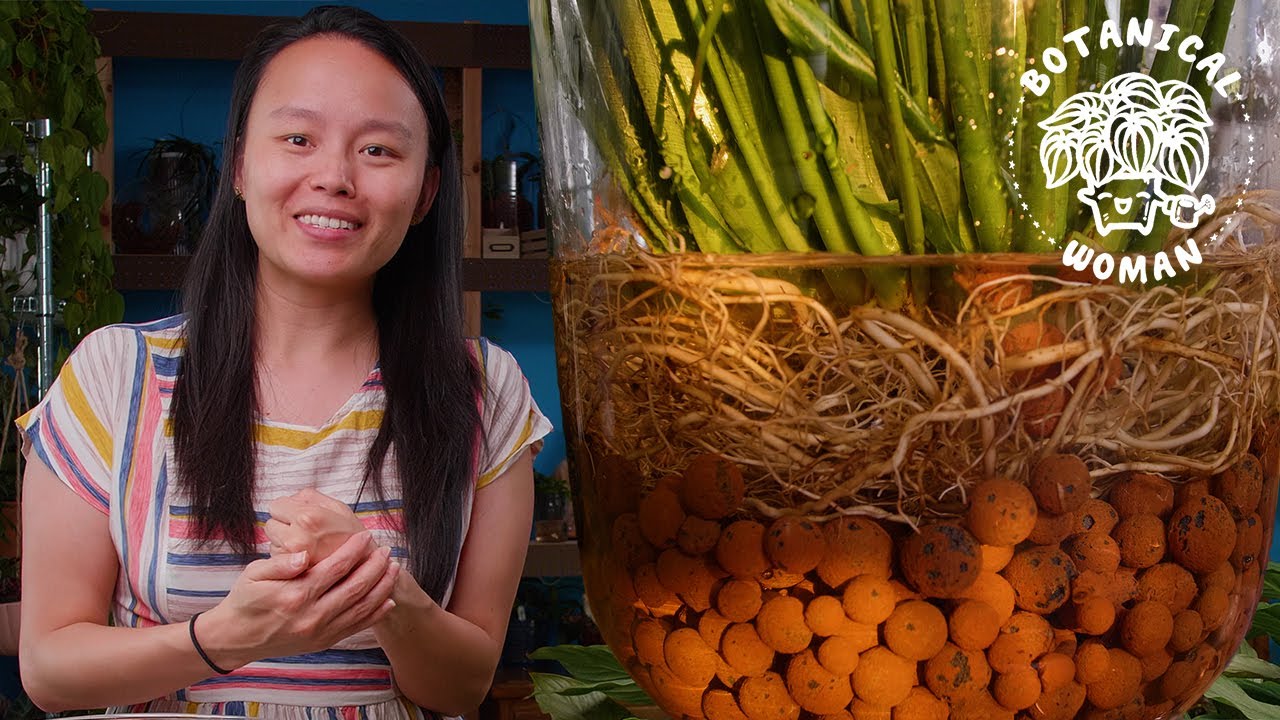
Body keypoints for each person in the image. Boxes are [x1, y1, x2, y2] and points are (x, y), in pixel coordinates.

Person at [14, 6, 552, 718]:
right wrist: (223, 639)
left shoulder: (483, 391)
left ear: (425, 192)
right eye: (298, 138)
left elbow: (461, 686)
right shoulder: (116, 375)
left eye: (379, 151)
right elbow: (50, 670)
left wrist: (381, 591)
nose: (333, 177)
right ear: (238, 164)